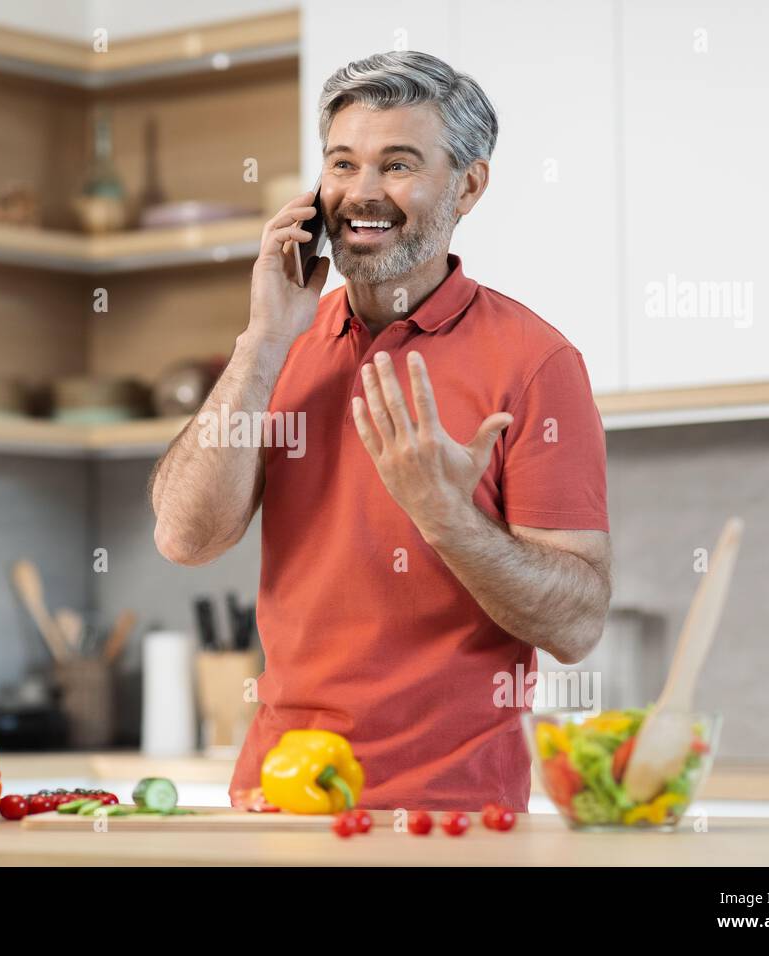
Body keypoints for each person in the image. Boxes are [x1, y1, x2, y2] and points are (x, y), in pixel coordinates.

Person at [149, 51, 611, 811]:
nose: (362, 193)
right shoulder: (281, 344)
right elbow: (186, 538)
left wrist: (445, 517)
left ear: (469, 185)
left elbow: (578, 624)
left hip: (453, 814)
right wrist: (263, 341)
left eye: (398, 164)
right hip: (278, 799)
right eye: (342, 163)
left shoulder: (536, 363)